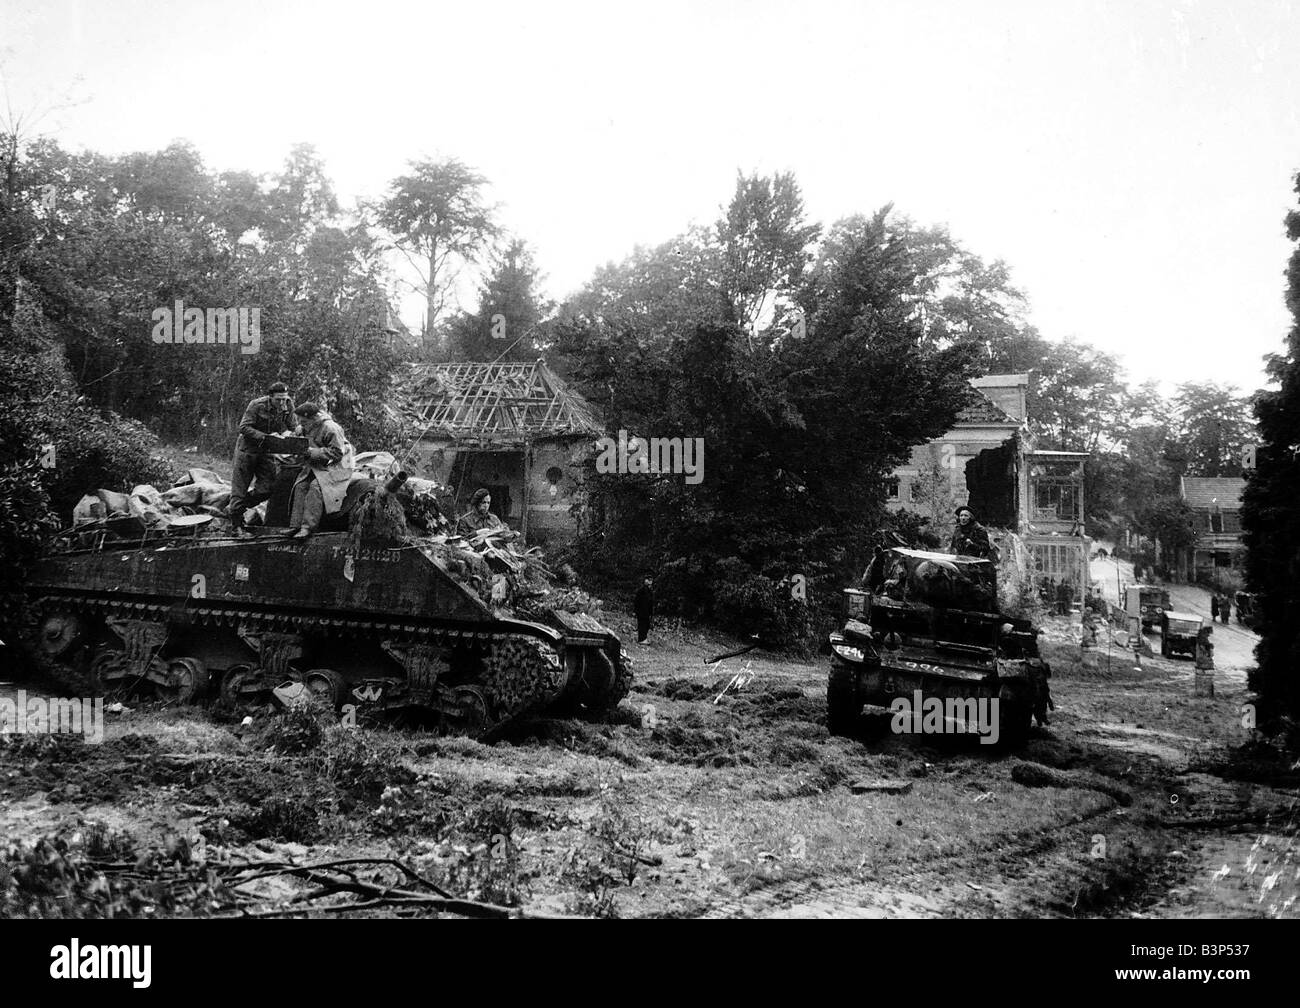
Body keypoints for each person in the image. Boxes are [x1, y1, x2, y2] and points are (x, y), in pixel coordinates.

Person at [229, 382, 295, 536]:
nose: (282, 403)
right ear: (270, 397)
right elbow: (244, 427)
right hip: (247, 450)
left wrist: (289, 436)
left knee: (267, 487)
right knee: (240, 487)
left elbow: (292, 426)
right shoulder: (256, 405)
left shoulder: (288, 405)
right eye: (278, 399)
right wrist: (266, 437)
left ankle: (237, 508)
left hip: (267, 452)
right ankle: (236, 525)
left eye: (284, 399)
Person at [287, 403, 354, 539]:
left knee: (316, 487)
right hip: (318, 465)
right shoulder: (304, 427)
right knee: (300, 486)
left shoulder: (331, 428)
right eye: (299, 421)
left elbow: (337, 453)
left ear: (314, 418)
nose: (301, 424)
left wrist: (312, 452)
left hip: (338, 465)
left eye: (304, 422)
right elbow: (299, 440)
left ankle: (307, 528)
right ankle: (295, 526)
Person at [634, 576, 655, 645]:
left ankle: (644, 638)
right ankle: (641, 639)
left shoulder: (649, 591)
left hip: (647, 611)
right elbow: (637, 601)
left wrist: (651, 612)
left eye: (651, 580)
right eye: (649, 580)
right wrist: (636, 611)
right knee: (642, 625)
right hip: (642, 611)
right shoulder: (642, 590)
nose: (650, 582)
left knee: (647, 625)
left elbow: (650, 602)